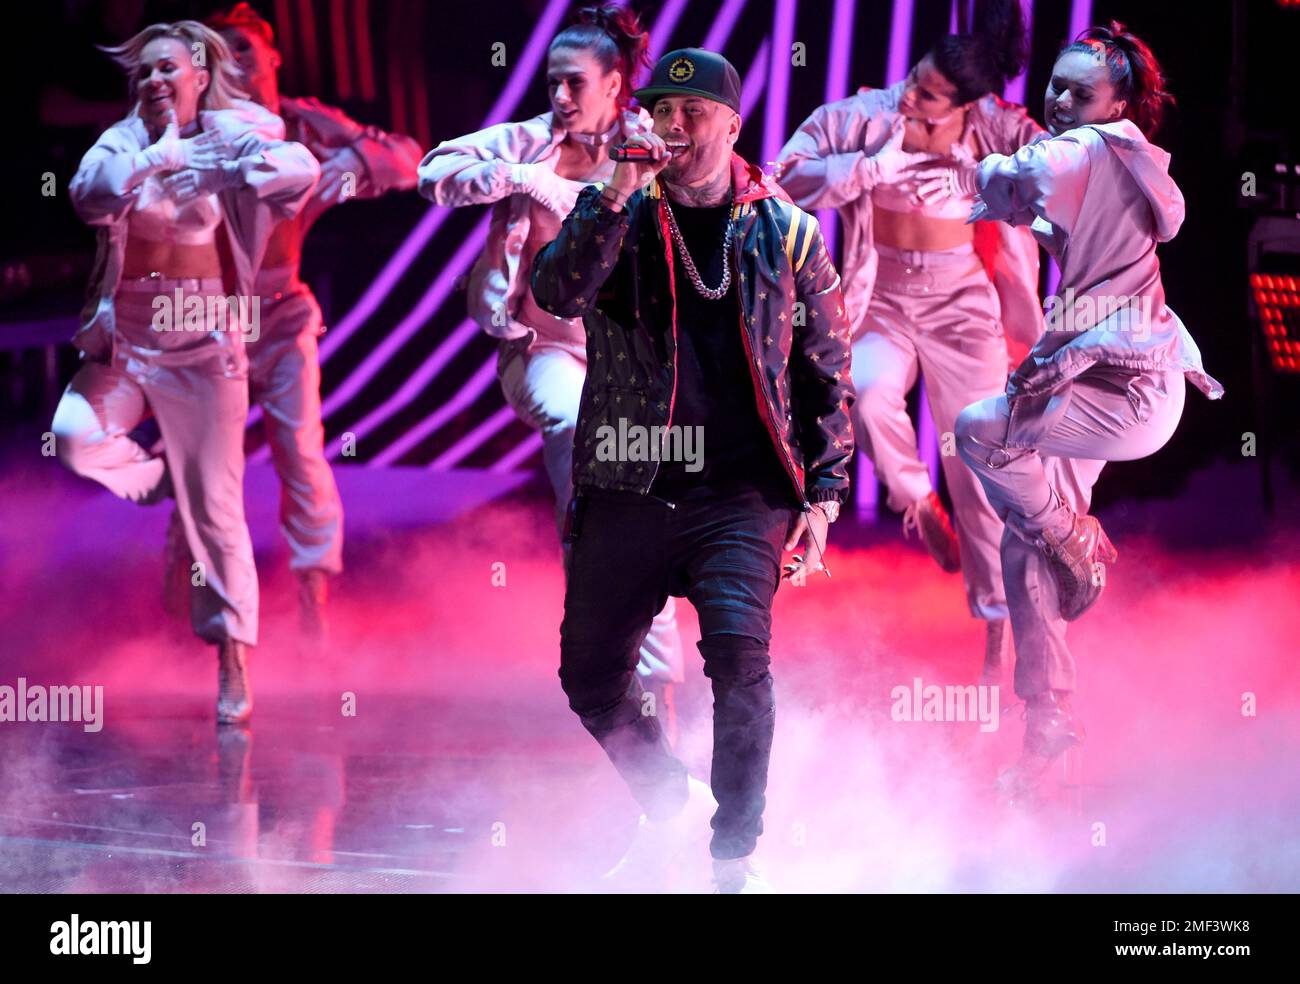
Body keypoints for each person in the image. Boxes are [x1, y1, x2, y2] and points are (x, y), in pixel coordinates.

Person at [531, 48, 855, 893]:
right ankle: (666, 799)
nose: (672, 127)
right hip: (630, 481)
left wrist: (822, 496)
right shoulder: (619, 211)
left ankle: (732, 855)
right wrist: (611, 193)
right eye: (661, 112)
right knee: (589, 674)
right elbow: (558, 294)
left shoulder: (787, 232)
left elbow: (826, 375)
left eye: (692, 113)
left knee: (741, 665)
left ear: (732, 125)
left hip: (739, 495)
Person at [954, 22, 1224, 801]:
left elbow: (1006, 181)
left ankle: (1074, 537)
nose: (1061, 100)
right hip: (1109, 381)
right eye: (1057, 85)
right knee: (1023, 541)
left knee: (981, 432)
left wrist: (961, 162)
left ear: (1120, 105)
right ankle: (1048, 727)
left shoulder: (1083, 148)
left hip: (1126, 395)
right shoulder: (1116, 153)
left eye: (1081, 92)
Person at [418, 5, 687, 733]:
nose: (560, 98)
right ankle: (605, 620)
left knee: (639, 514)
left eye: (575, 84)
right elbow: (433, 171)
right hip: (543, 353)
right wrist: (514, 174)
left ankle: (655, 684)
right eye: (552, 83)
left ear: (617, 84)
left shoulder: (648, 149)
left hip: (630, 366)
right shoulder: (529, 142)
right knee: (577, 426)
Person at [52, 20, 319, 723]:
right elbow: (89, 194)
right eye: (142, 74)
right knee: (75, 437)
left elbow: (299, 171)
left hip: (203, 345)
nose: (154, 82)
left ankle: (233, 660)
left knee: (217, 513)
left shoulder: (238, 129)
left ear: (201, 75)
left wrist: (223, 166)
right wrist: (155, 154)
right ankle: (162, 476)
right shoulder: (125, 140)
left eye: (168, 69)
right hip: (131, 343)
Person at [776, 0, 1044, 682]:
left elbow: (1060, 169)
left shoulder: (996, 128)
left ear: (965, 104)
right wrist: (866, 167)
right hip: (885, 299)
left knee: (980, 468)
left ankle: (996, 627)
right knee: (864, 396)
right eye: (914, 78)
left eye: (927, 94)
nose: (911, 95)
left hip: (963, 303)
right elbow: (789, 173)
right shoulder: (868, 115)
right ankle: (916, 501)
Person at [184, 3, 423, 643]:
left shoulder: (305, 132)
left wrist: (336, 124)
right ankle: (193, 590)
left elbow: (405, 164)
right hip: (213, 321)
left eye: (241, 47)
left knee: (300, 451)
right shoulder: (197, 130)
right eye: (216, 50)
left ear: (271, 56)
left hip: (285, 314)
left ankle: (313, 596)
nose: (230, 59)